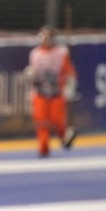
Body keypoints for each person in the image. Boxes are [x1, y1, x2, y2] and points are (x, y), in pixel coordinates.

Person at [27, 25, 77, 157]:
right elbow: (33, 74)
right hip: (40, 93)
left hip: (56, 93)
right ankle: (43, 147)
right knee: (41, 122)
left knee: (57, 121)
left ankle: (65, 138)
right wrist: (30, 76)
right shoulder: (35, 54)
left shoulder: (61, 53)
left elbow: (70, 73)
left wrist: (70, 87)